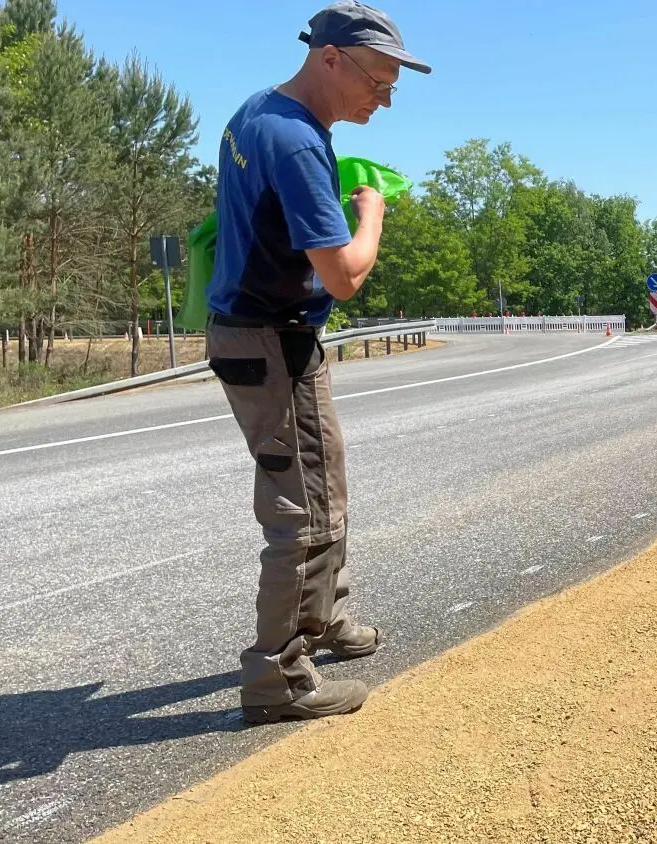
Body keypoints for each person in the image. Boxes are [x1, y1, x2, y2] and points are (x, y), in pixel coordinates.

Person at [204, 1, 431, 724]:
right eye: (379, 80)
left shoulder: (256, 112)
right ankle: (277, 679)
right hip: (270, 338)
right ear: (330, 57)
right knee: (302, 513)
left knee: (323, 483)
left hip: (264, 334)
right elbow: (343, 276)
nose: (385, 98)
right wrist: (373, 215)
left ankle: (325, 617)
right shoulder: (299, 142)